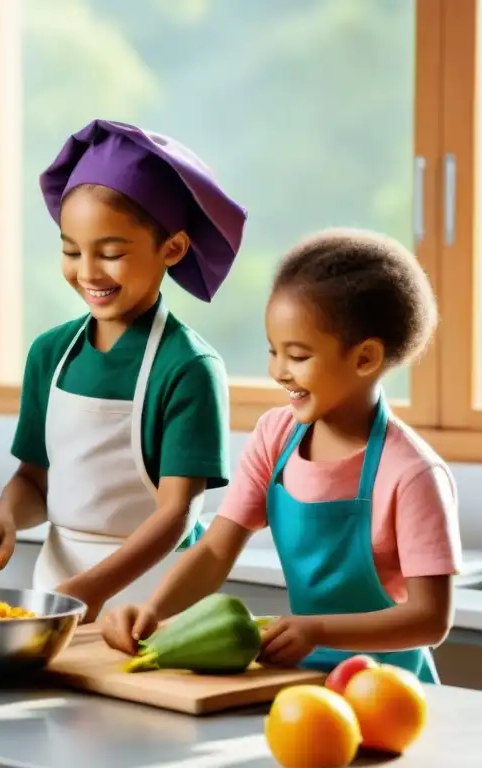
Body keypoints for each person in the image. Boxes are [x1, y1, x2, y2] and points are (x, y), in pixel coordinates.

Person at [102, 228, 460, 683]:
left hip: (388, 689)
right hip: (299, 680)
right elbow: (214, 550)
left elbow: (432, 620)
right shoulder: (276, 436)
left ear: (365, 358)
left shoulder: (411, 474)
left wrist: (319, 629)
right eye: (273, 351)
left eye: (298, 355)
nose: (278, 371)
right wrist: (153, 612)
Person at [0, 119, 248, 621]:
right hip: (59, 589)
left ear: (172, 249)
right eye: (71, 251)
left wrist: (94, 588)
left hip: (154, 599)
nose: (88, 271)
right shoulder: (50, 354)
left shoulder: (188, 368)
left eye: (110, 253)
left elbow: (177, 514)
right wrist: (4, 513)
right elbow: (35, 481)